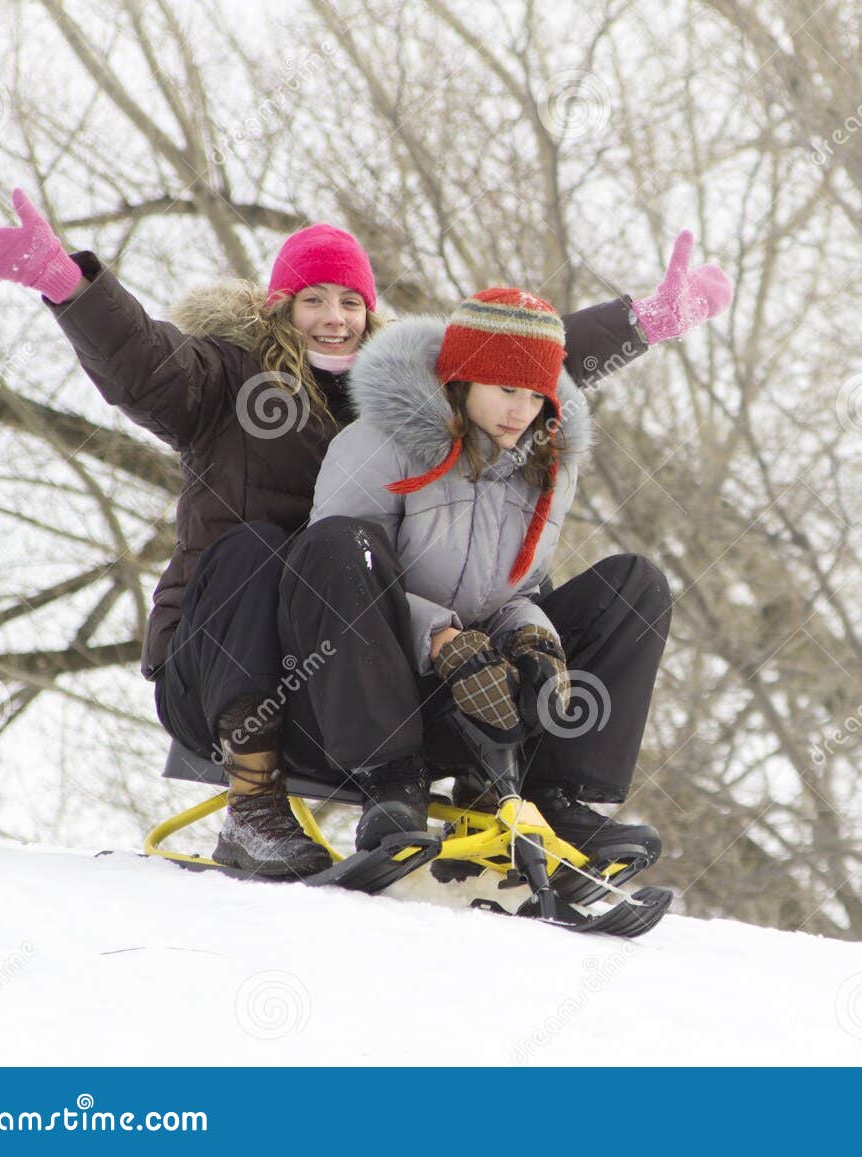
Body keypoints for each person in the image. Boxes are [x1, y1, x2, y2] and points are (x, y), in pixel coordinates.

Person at [0, 189, 725, 878]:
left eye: (349, 302)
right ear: (277, 308)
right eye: (312, 300)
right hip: (226, 666)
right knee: (269, 550)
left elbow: (515, 365)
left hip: (359, 673)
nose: (333, 317)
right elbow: (145, 364)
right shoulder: (227, 379)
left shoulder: (407, 403)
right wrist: (69, 284)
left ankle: (551, 789)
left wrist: (644, 322)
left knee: (567, 575)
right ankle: (253, 802)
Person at [300, 281, 701, 875]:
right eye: (506, 389)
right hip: (361, 690)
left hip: (478, 694)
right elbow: (329, 577)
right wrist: (439, 639)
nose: (522, 410)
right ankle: (393, 787)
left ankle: (556, 794)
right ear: (463, 380)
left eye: (537, 394)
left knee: (635, 584)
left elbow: (520, 588)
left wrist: (530, 637)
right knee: (338, 545)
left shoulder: (545, 464)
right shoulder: (378, 443)